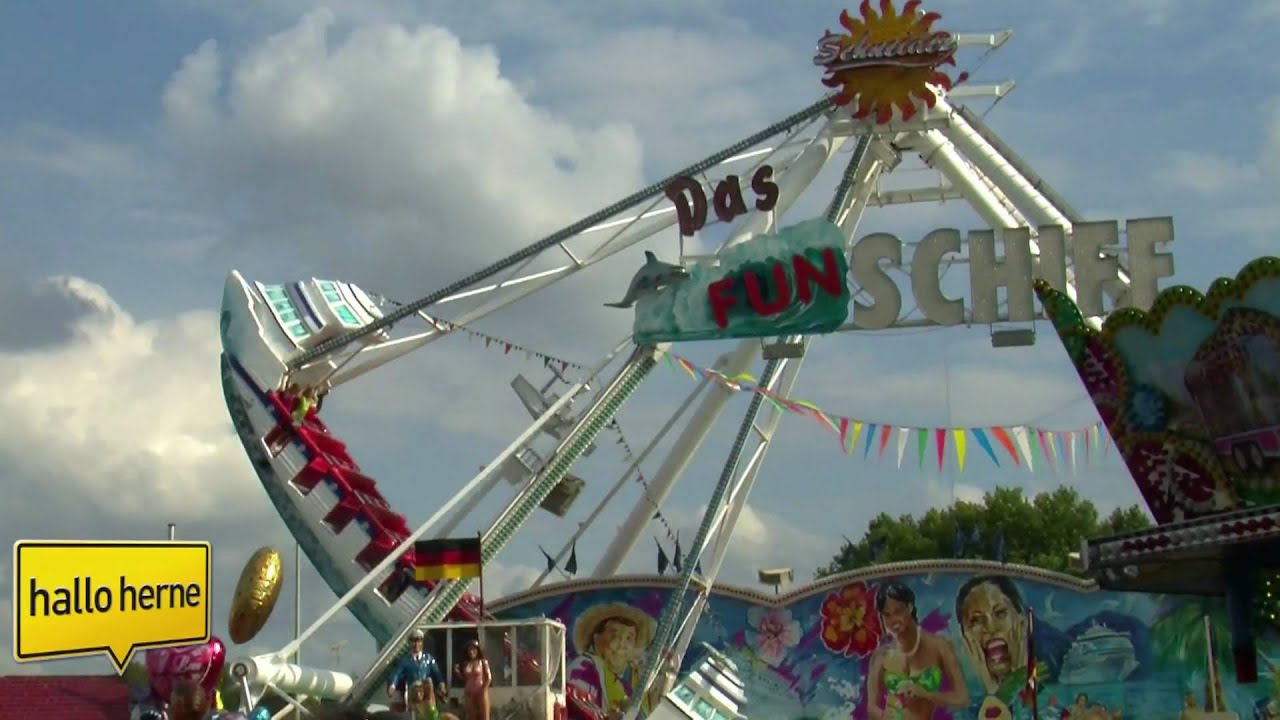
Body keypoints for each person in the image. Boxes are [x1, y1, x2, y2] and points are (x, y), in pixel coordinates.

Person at [866, 582, 969, 720]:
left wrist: (926, 694)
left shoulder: (939, 646)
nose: (893, 620)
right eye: (887, 615)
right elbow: (871, 707)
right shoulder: (881, 656)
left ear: (909, 607)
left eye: (897, 611)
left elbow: (962, 698)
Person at [567, 603, 661, 719]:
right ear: (596, 639)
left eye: (629, 638)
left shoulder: (631, 684)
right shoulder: (584, 667)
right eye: (615, 636)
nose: (622, 645)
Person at [953, 575, 1029, 696]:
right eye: (976, 620)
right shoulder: (962, 703)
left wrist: (1019, 679)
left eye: (1000, 613)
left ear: (1022, 623)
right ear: (966, 640)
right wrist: (991, 689)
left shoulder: (1055, 683)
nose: (991, 628)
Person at [388, 629, 447, 711]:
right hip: (413, 693)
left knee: (430, 712)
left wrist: (441, 683)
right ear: (410, 644)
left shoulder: (429, 658)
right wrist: (393, 685)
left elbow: (437, 673)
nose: (416, 644)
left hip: (427, 693)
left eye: (419, 641)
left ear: (422, 643)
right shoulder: (406, 660)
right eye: (413, 642)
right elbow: (397, 673)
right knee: (414, 713)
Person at [460, 639, 491, 720]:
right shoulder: (466, 664)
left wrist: (484, 689)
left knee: (484, 716)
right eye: (469, 650)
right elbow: (466, 678)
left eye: (473, 649)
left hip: (481, 691)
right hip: (469, 693)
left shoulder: (483, 662)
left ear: (478, 650)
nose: (471, 652)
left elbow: (489, 677)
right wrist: (458, 673)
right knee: (471, 716)